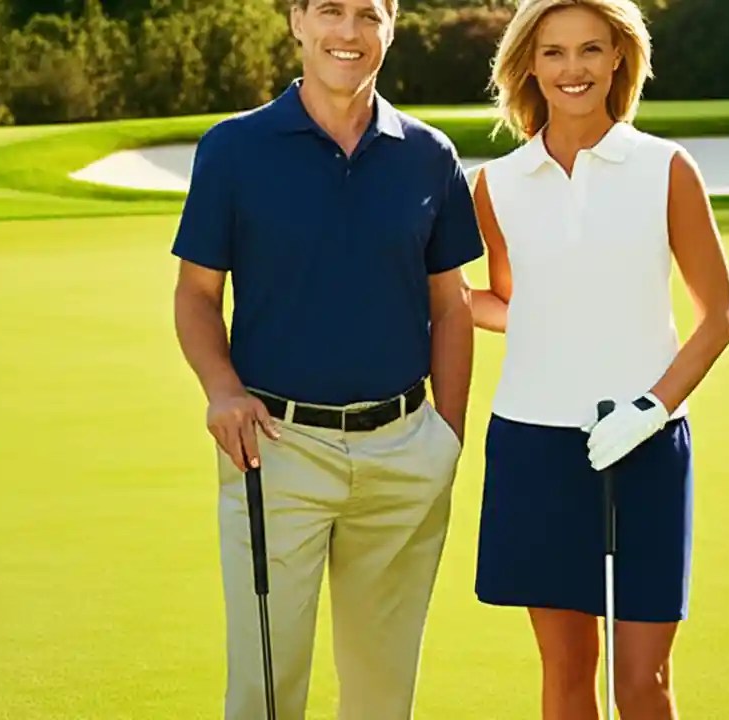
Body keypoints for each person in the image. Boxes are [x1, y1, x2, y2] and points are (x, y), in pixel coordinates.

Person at [169, 0, 484, 717]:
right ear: (297, 23)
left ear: (392, 27)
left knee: (383, 692)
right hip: (275, 450)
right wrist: (221, 390)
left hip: (405, 451)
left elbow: (452, 305)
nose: (350, 32)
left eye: (370, 15)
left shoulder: (430, 156)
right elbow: (195, 295)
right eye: (330, 11)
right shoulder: (233, 148)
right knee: (265, 689)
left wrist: (448, 437)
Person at [468, 0, 729, 717]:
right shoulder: (497, 184)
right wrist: (452, 302)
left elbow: (720, 316)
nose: (573, 69)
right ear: (529, 63)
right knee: (564, 676)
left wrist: (651, 408)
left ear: (620, 57)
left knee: (642, 683)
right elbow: (506, 301)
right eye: (553, 52)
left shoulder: (665, 168)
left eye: (591, 49)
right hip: (532, 444)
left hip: (644, 447)